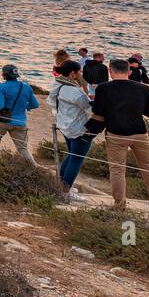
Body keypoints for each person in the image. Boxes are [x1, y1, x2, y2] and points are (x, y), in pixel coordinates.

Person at [93, 58, 149, 215]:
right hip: (140, 133)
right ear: (130, 72)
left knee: (117, 170)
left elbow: (98, 113)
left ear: (110, 71)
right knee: (148, 168)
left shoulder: (103, 88)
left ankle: (120, 205)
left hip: (116, 134)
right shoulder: (144, 89)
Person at [51, 60, 97, 199]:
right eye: (79, 72)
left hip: (65, 125)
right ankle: (65, 191)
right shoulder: (75, 90)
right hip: (78, 128)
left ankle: (60, 185)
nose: (80, 74)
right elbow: (89, 108)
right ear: (73, 73)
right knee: (76, 160)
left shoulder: (59, 85)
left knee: (71, 155)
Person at [0, 64, 39, 163]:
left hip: (3, 121)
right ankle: (34, 168)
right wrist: (26, 106)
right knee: (23, 148)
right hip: (20, 123)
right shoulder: (26, 87)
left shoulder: (2, 87)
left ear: (4, 75)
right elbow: (35, 104)